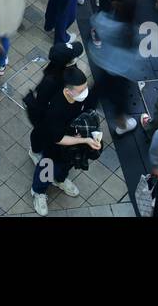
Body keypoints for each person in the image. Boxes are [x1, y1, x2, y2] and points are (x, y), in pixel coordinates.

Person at [28, 65, 101, 216]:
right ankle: (38, 192)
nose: (85, 93)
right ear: (68, 91)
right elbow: (58, 139)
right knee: (47, 168)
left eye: (86, 87)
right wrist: (85, 140)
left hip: (72, 143)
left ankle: (60, 180)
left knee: (66, 165)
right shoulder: (56, 109)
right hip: (54, 147)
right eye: (81, 90)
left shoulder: (80, 96)